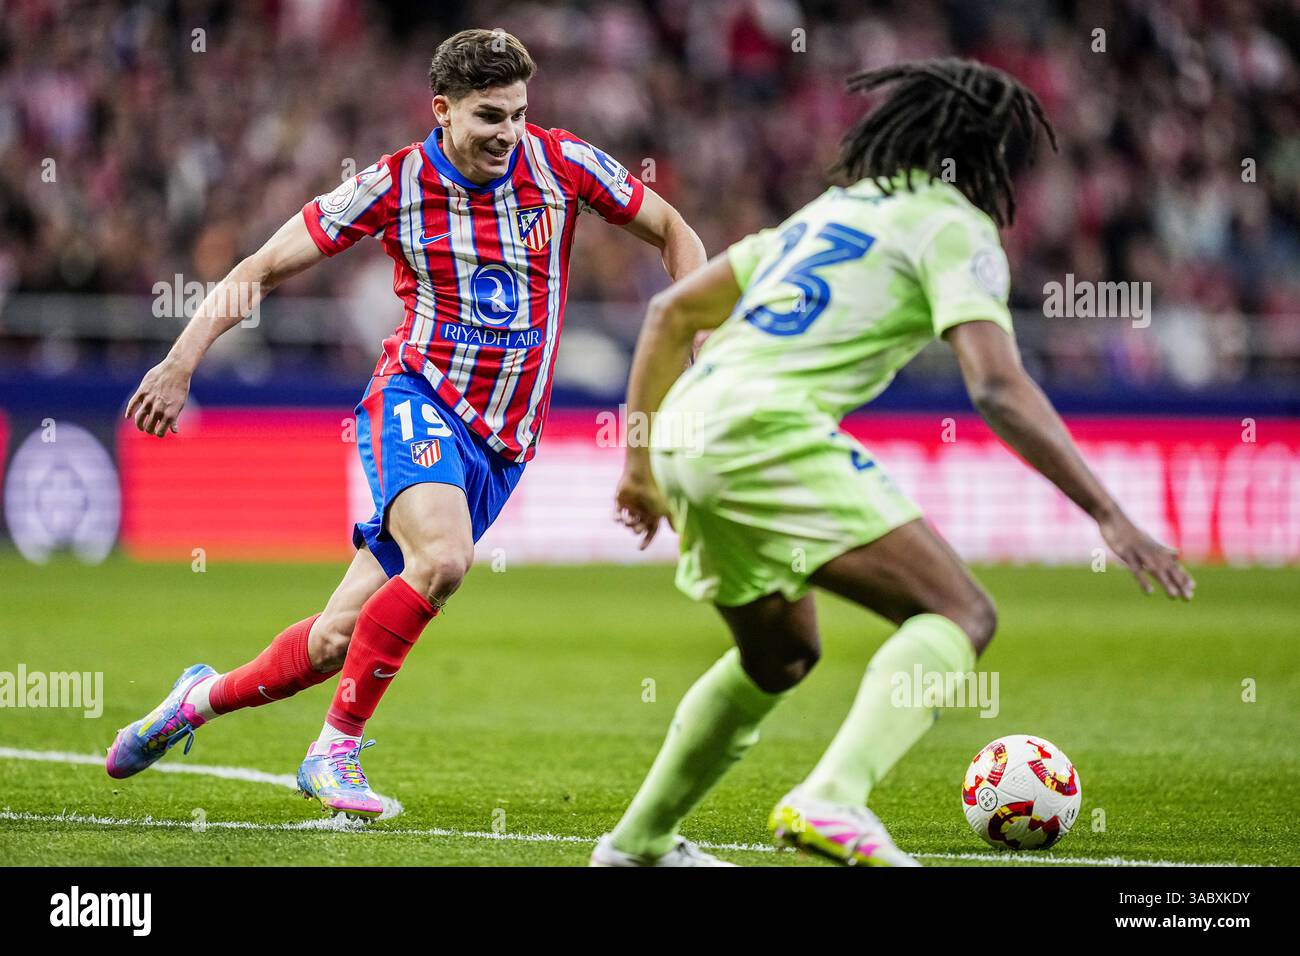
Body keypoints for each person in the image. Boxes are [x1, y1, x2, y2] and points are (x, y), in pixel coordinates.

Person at [594, 59, 1194, 867]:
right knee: (961, 614)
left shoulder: (828, 212)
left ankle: (636, 845)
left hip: (689, 430)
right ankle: (833, 797)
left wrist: (638, 467)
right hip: (763, 427)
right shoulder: (954, 226)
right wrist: (1109, 513)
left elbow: (670, 311)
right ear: (984, 157)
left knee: (780, 655)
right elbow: (997, 385)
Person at [106, 29, 706, 821]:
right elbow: (260, 267)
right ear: (443, 110)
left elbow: (674, 231)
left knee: (331, 644)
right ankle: (335, 752)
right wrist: (181, 361)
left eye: (520, 114)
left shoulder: (564, 165)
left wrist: (701, 341)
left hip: (503, 446)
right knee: (446, 559)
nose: (509, 134)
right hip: (416, 400)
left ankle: (195, 701)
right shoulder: (392, 185)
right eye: (491, 116)